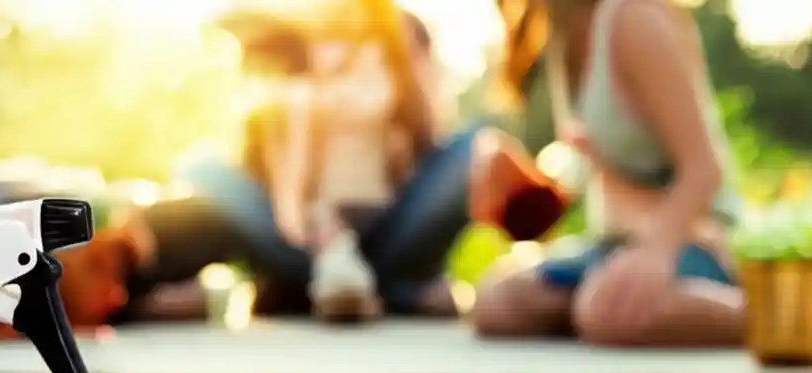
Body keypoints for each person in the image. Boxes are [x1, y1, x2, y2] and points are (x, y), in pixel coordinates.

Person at [81, 8, 477, 325]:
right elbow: (286, 206)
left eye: (378, 63)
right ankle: (389, 292)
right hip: (309, 246)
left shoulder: (422, 135)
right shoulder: (298, 108)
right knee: (205, 172)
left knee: (478, 148)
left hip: (383, 248)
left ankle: (381, 289)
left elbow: (421, 197)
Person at [469, 0, 759, 346]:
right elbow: (602, 169)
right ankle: (624, 309)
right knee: (498, 302)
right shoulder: (563, 31)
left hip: (692, 243)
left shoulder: (633, 16)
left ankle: (791, 323)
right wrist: (514, 177)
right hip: (617, 243)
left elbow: (705, 169)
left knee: (603, 310)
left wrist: (655, 253)